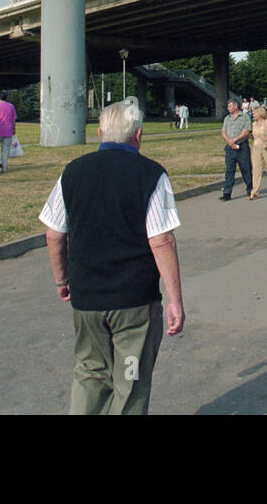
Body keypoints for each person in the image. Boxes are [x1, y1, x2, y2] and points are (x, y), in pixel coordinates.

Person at [40, 97, 184, 414]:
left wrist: (61, 279)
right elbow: (161, 241)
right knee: (130, 382)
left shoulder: (73, 172)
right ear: (138, 134)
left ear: (99, 133)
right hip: (134, 301)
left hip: (87, 297)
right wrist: (174, 300)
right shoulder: (152, 174)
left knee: (89, 374)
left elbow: (53, 233)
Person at [219, 99, 253, 201]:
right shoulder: (227, 118)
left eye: (229, 106)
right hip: (230, 147)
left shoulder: (244, 117)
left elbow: (246, 131)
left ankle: (250, 190)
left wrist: (235, 140)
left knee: (246, 169)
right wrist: (229, 141)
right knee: (229, 170)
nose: (228, 108)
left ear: (235, 106)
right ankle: (227, 193)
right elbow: (223, 131)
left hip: (242, 147)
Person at [0, 91, 17, 173]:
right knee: (5, 150)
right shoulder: (11, 106)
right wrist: (14, 129)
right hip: (8, 130)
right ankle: (4, 168)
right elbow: (14, 119)